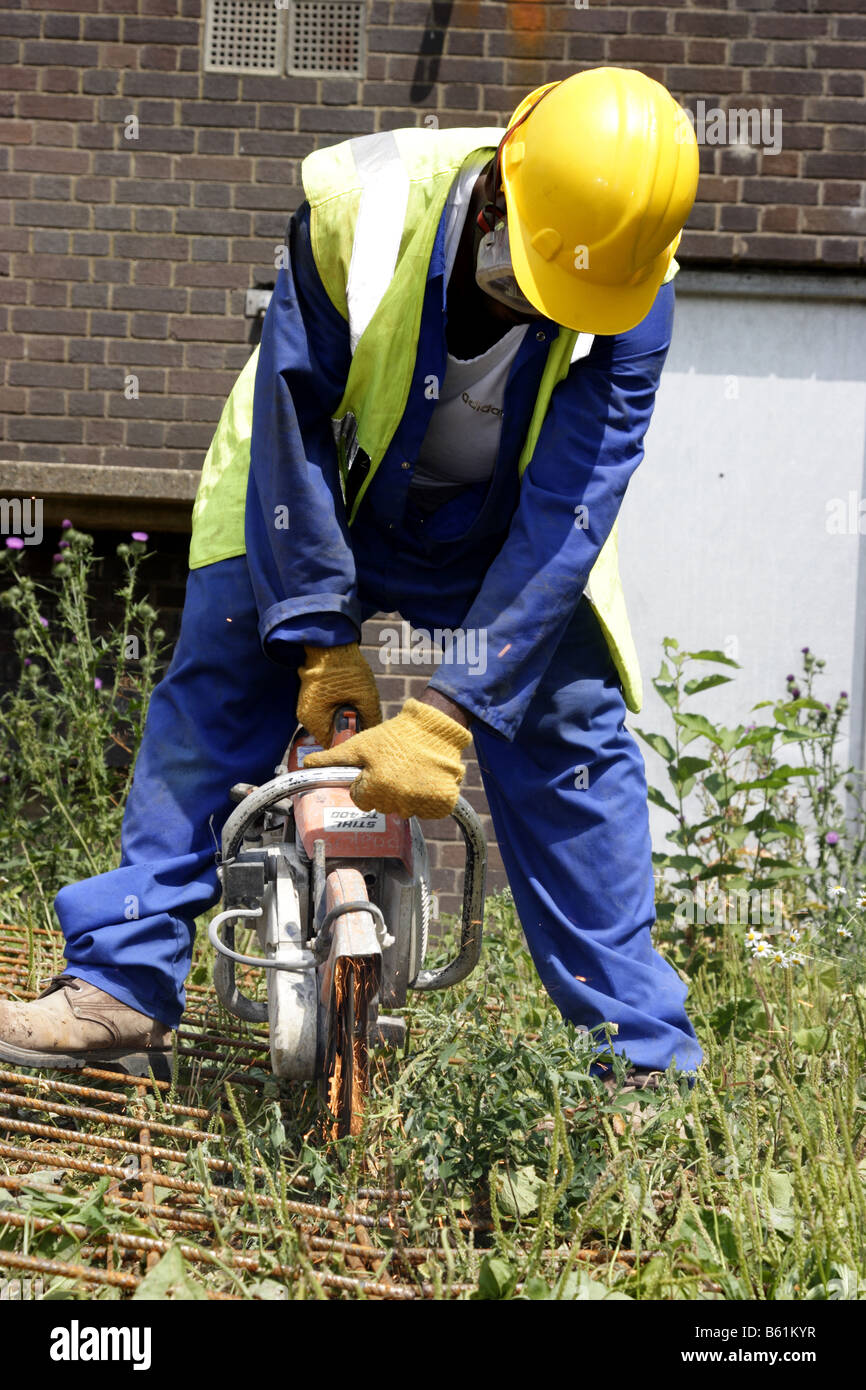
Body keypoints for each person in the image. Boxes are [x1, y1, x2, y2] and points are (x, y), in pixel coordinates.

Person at [0, 67, 703, 1086]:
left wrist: (452, 710)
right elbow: (290, 422)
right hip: (316, 487)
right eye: (524, 271)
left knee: (570, 735)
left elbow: (570, 511)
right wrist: (319, 632)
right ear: (501, 187)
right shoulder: (357, 207)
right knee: (221, 683)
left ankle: (641, 1066)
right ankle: (119, 991)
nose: (532, 303)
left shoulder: (634, 285)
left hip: (495, 533)